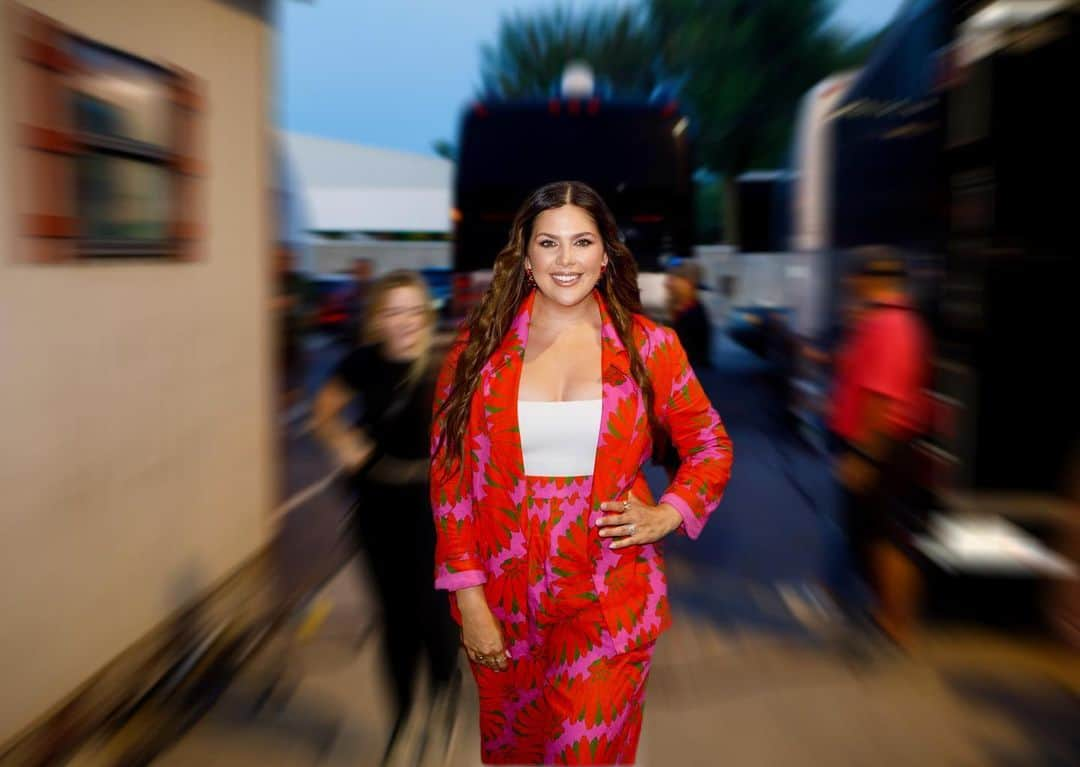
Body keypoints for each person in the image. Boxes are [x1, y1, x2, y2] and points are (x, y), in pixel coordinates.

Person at [430, 181, 733, 765]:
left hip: (608, 599)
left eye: (582, 242)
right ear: (526, 253)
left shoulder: (651, 348)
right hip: (503, 602)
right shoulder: (476, 354)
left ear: (606, 254)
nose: (566, 260)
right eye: (549, 243)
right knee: (514, 754)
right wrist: (470, 601)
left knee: (581, 752)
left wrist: (669, 512)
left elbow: (710, 444)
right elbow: (450, 480)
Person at [314, 270, 459, 765]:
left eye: (412, 311)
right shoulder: (361, 362)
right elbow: (325, 411)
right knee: (394, 620)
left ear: (426, 315)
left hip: (432, 511)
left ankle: (443, 699)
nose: (403, 322)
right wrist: (344, 441)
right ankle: (401, 719)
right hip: (376, 508)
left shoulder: (445, 365)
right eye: (392, 311)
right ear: (378, 318)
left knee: (434, 618)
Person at [828, 247, 932, 650]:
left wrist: (865, 456)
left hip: (881, 445)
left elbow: (881, 398)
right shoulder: (891, 321)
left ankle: (894, 622)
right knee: (878, 533)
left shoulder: (889, 325)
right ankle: (885, 613)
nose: (850, 286)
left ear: (869, 279)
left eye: (855, 279)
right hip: (883, 442)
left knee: (887, 536)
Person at [664, 259, 712, 370]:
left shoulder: (693, 317)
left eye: (673, 279)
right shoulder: (683, 312)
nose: (667, 285)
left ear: (688, 284)